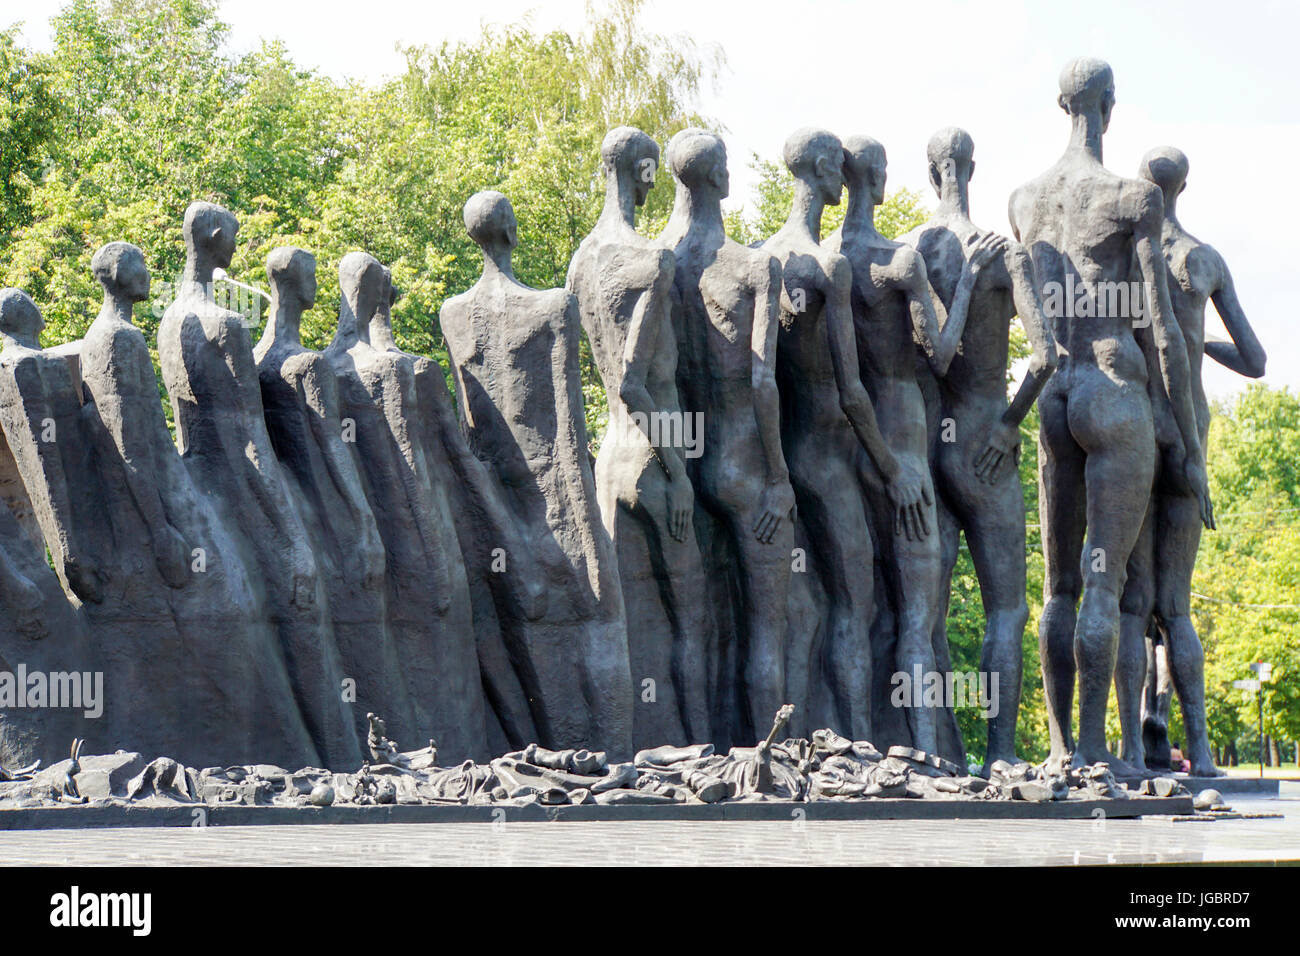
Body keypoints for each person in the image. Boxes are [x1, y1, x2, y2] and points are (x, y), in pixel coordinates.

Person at [1008, 58, 1212, 772]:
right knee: (1103, 580)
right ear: (1109, 106)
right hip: (1112, 387)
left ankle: (1062, 746)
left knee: (1058, 586)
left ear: (1061, 103)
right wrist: (1187, 440)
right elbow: (1160, 330)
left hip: (1057, 394)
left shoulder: (1023, 199)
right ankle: (1098, 749)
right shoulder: (1133, 198)